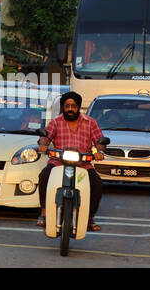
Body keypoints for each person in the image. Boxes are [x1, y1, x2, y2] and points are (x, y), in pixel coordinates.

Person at [35, 91, 106, 231]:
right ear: (63, 107)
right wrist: (43, 144)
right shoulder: (56, 122)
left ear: (78, 107)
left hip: (83, 165)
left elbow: (99, 140)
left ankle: (89, 219)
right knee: (44, 176)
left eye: (73, 106)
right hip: (58, 162)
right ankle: (43, 213)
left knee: (97, 183)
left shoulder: (90, 122)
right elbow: (45, 137)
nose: (70, 109)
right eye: (67, 106)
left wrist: (99, 151)